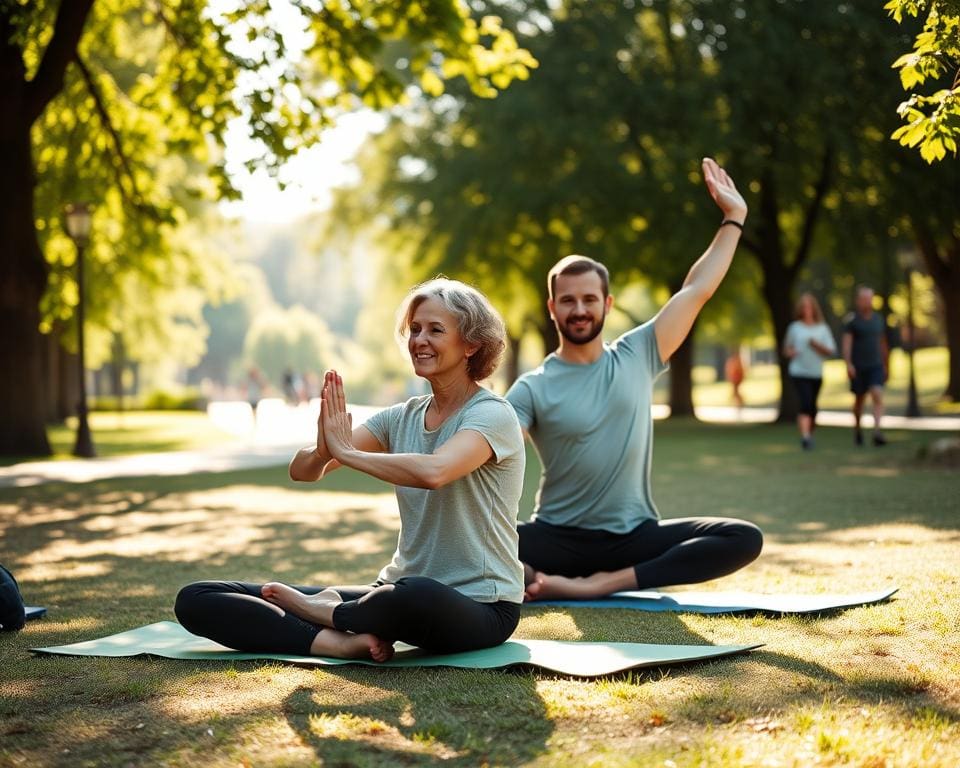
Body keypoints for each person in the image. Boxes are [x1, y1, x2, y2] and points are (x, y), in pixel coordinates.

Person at [175, 279, 525, 661]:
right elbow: (304, 471)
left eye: (435, 330)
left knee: (414, 595)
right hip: (389, 593)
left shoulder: (492, 414)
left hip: (481, 605)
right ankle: (336, 640)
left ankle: (332, 613)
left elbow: (435, 471)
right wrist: (325, 447)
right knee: (197, 598)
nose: (419, 340)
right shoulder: (401, 417)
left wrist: (346, 452)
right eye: (415, 329)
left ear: (471, 344)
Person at [507, 157, 763, 602]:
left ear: (607, 303)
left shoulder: (638, 352)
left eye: (589, 299)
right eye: (568, 301)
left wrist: (733, 217)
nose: (580, 310)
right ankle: (539, 575)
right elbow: (484, 443)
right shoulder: (532, 386)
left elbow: (696, 289)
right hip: (555, 540)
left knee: (743, 537)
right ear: (552, 309)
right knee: (473, 539)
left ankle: (606, 584)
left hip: (633, 540)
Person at [782, 293, 837, 450]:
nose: (806, 309)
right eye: (803, 306)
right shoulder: (794, 328)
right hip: (798, 371)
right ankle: (805, 437)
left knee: (812, 408)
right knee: (805, 403)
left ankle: (809, 434)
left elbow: (831, 350)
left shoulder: (822, 328)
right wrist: (790, 352)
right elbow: (786, 349)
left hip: (816, 372)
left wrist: (816, 345)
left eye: (809, 306)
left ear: (814, 308)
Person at [842, 285, 889, 446]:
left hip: (875, 365)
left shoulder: (878, 319)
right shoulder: (852, 321)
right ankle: (857, 430)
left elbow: (882, 342)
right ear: (858, 301)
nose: (867, 302)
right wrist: (848, 364)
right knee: (859, 401)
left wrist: (886, 364)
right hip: (858, 366)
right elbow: (847, 344)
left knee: (877, 394)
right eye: (864, 299)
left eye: (869, 298)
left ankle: (877, 432)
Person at [724, 347, 745, 411]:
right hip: (734, 379)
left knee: (735, 391)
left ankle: (738, 403)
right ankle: (737, 403)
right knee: (735, 391)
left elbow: (739, 370)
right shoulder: (733, 360)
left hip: (736, 379)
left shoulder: (737, 360)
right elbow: (729, 370)